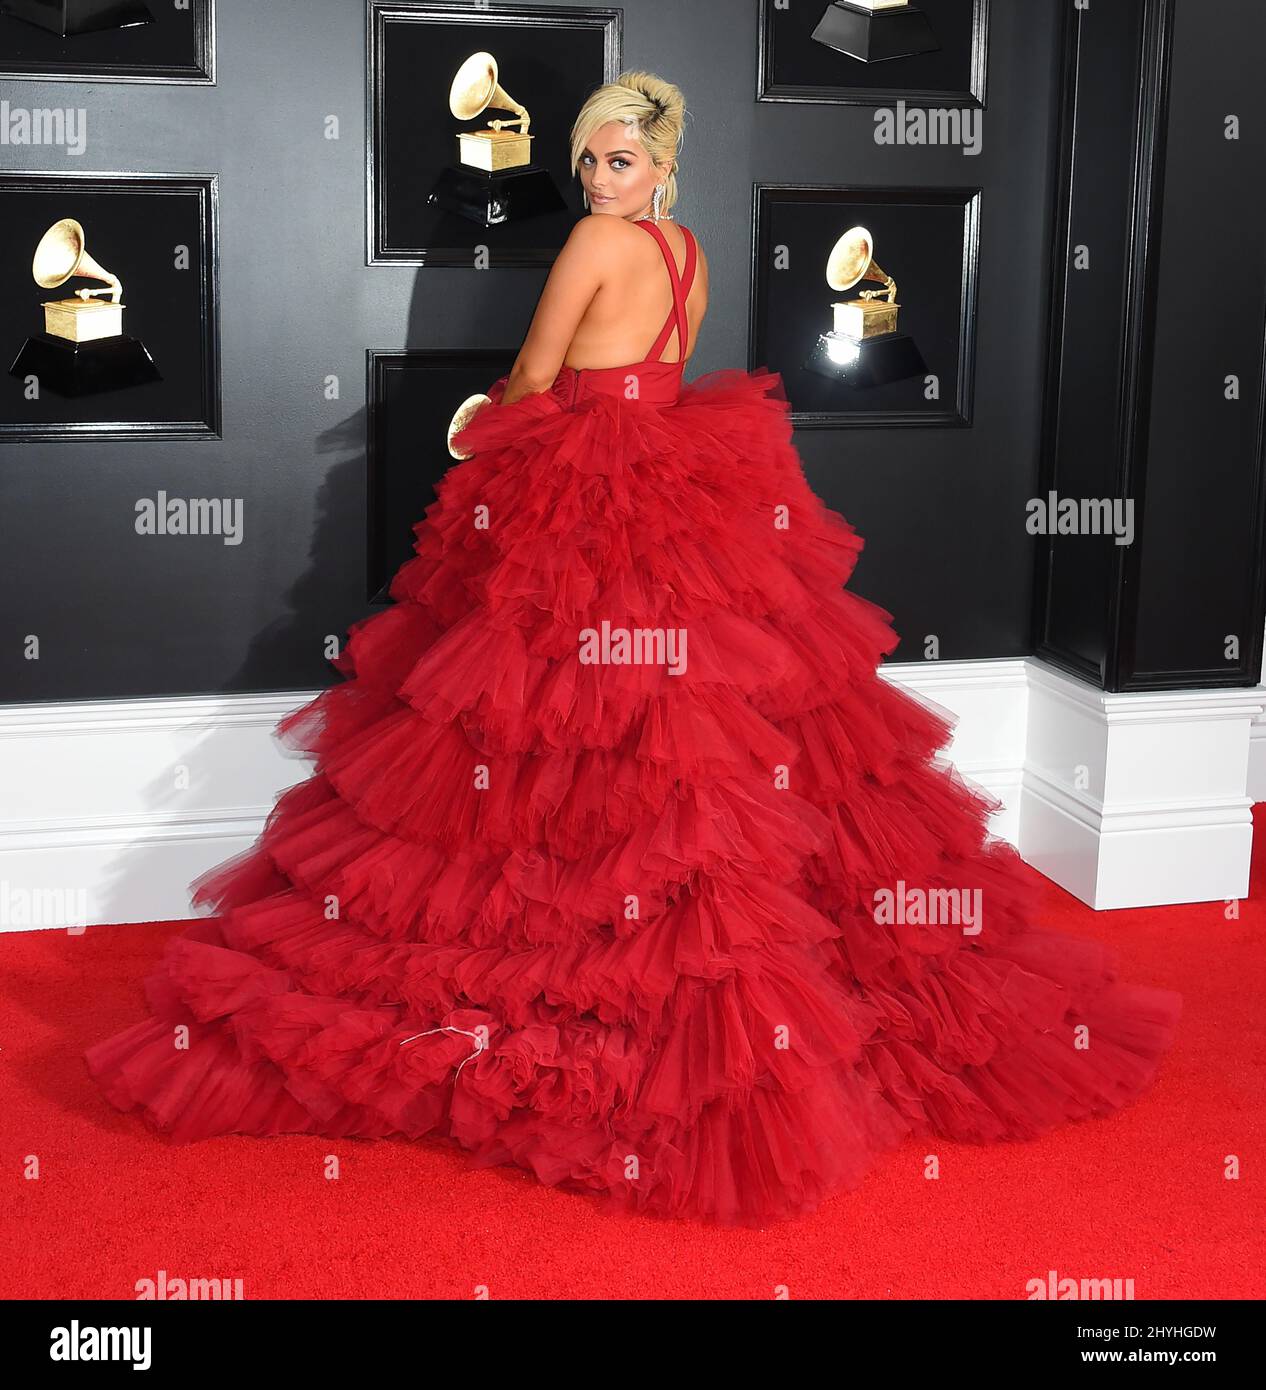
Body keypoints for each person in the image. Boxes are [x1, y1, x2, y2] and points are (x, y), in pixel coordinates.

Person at [86, 71, 1180, 1228]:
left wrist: (477, 420)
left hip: (589, 498)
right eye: (591, 161)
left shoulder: (596, 247)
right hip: (685, 486)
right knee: (686, 728)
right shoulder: (689, 250)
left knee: (550, 730)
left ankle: (581, 966)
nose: (602, 180)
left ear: (660, 163)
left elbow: (541, 376)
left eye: (621, 160)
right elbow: (655, 368)